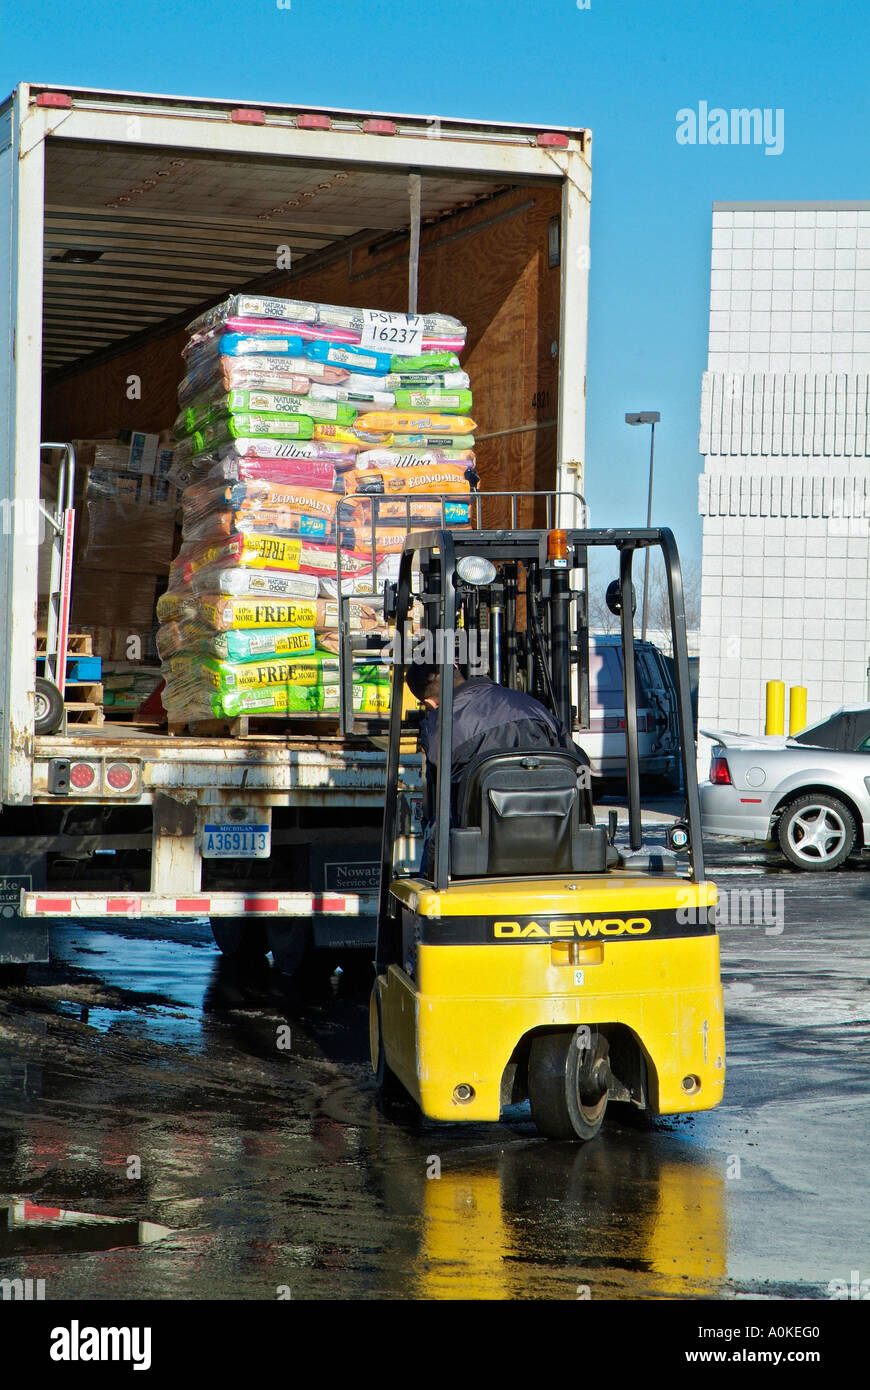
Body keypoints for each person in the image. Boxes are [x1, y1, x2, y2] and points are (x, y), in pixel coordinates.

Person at [405, 662, 588, 875]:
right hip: (555, 838)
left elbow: (438, 797)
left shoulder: (439, 727)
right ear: (455, 667)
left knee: (436, 826)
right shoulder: (531, 706)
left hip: (482, 852)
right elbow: (579, 763)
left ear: (429, 702)